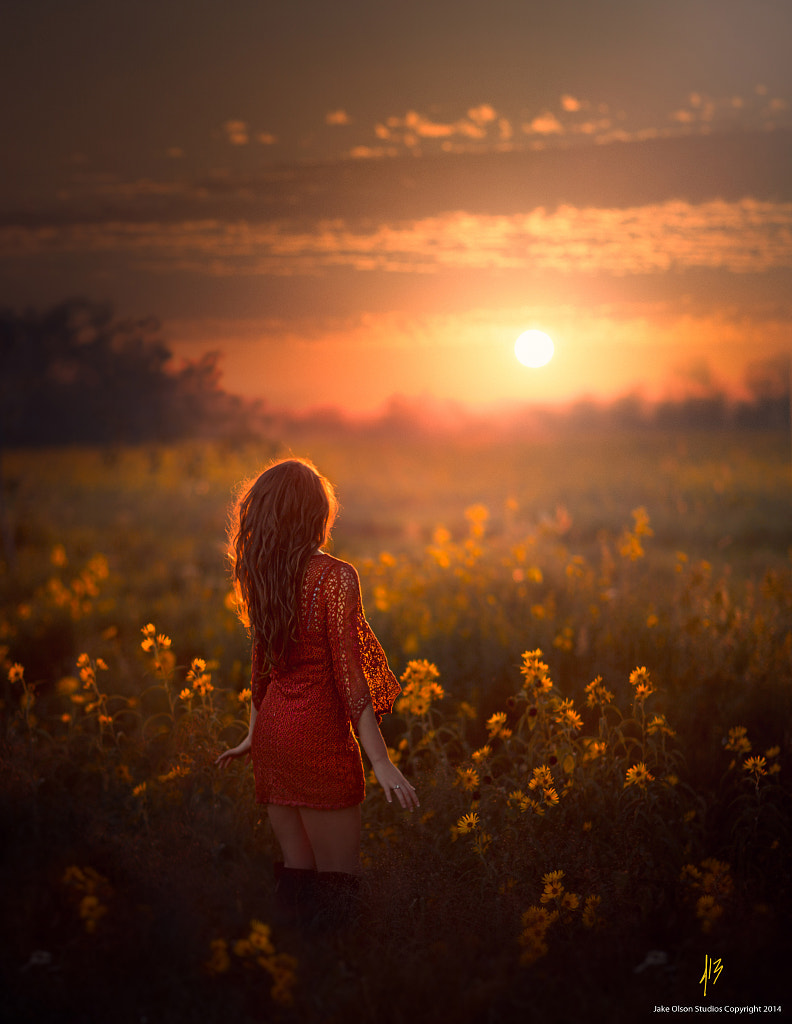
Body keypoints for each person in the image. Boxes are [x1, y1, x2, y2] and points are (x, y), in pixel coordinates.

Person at [215, 458, 418, 926]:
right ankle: (337, 977)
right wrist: (382, 762)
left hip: (273, 738)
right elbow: (351, 678)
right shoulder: (335, 576)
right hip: (318, 742)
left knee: (295, 877)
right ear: (315, 513)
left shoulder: (263, 574)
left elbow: (260, 669)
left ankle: (297, 968)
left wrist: (253, 734)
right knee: (338, 887)